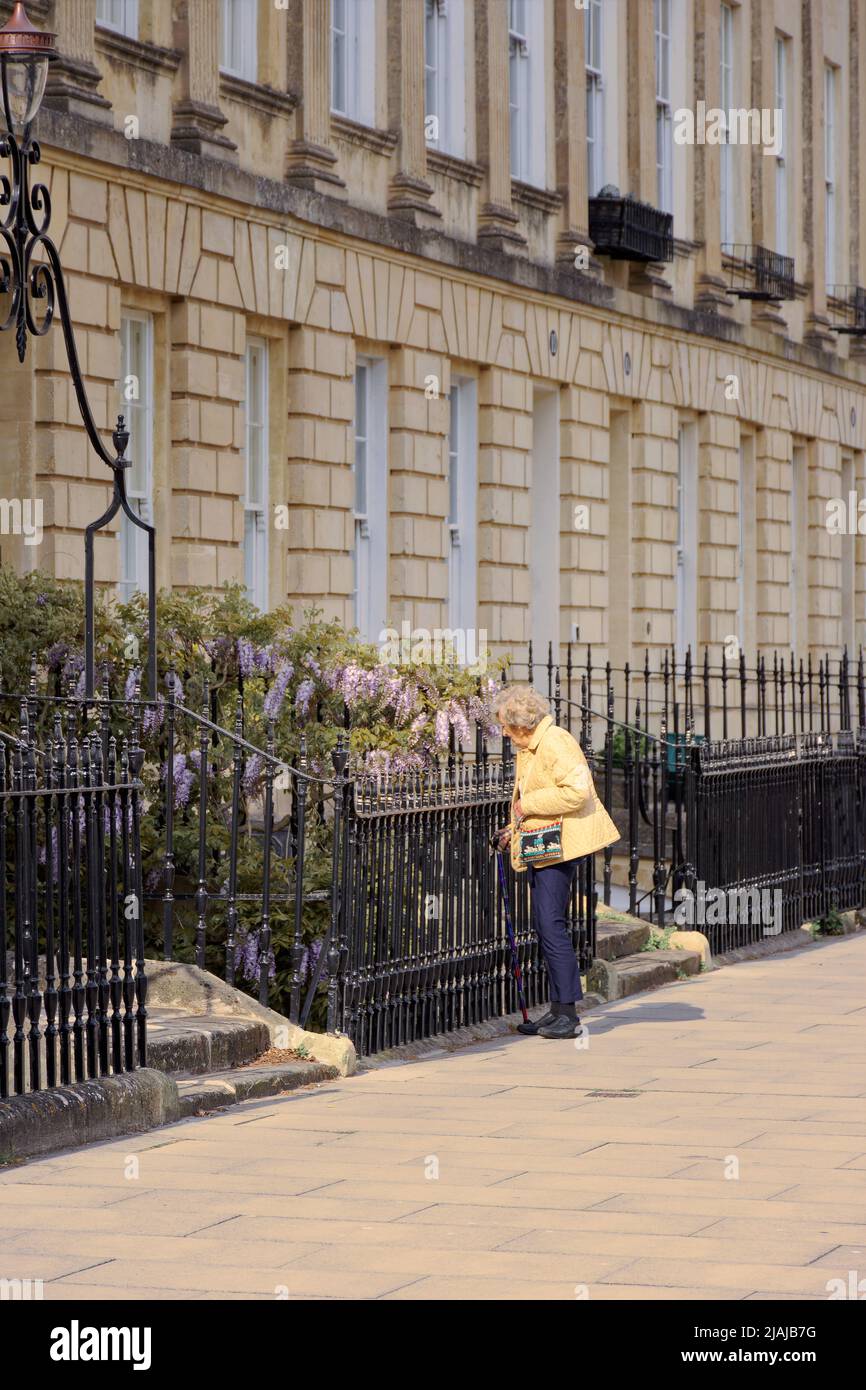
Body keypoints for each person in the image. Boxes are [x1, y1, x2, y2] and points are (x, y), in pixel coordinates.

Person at [494, 685, 619, 1038]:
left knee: (551, 924)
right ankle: (558, 1009)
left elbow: (576, 792)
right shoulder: (531, 747)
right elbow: (533, 800)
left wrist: (527, 806)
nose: (503, 732)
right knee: (547, 924)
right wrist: (511, 830)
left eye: (505, 725)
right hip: (544, 842)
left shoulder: (555, 742)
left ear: (522, 723)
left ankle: (569, 1014)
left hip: (561, 844)